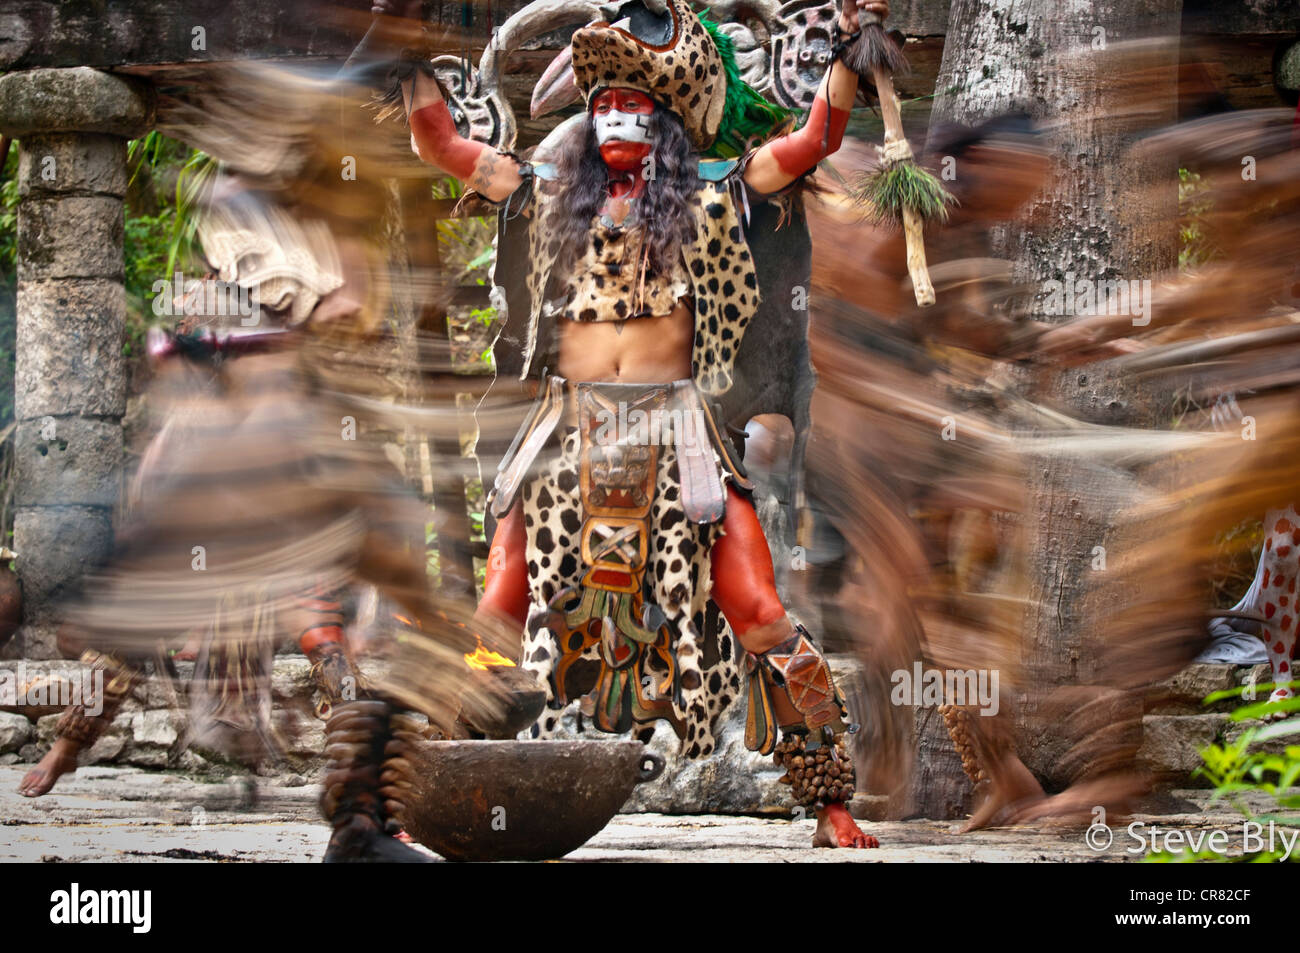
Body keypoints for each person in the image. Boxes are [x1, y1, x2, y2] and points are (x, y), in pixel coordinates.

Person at [379, 0, 888, 847]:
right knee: (501, 598)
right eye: (603, 107)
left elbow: (812, 144)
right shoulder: (541, 192)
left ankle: (829, 792)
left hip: (680, 436)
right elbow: (441, 145)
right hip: (566, 432)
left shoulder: (716, 193)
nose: (616, 118)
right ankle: (434, 771)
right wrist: (406, 62)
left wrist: (846, 53)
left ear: (668, 128)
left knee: (758, 606)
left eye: (636, 110)